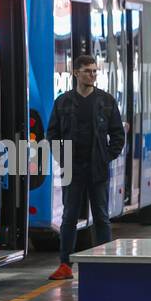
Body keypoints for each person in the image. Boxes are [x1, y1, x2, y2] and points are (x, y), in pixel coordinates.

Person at [46, 53, 125, 281]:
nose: (92, 75)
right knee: (69, 217)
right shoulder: (63, 102)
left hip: (97, 168)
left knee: (101, 216)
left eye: (94, 71)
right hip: (73, 168)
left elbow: (117, 134)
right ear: (76, 73)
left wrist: (106, 157)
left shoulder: (106, 101)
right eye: (87, 71)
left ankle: (105, 263)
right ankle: (65, 264)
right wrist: (62, 157)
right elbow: (52, 133)